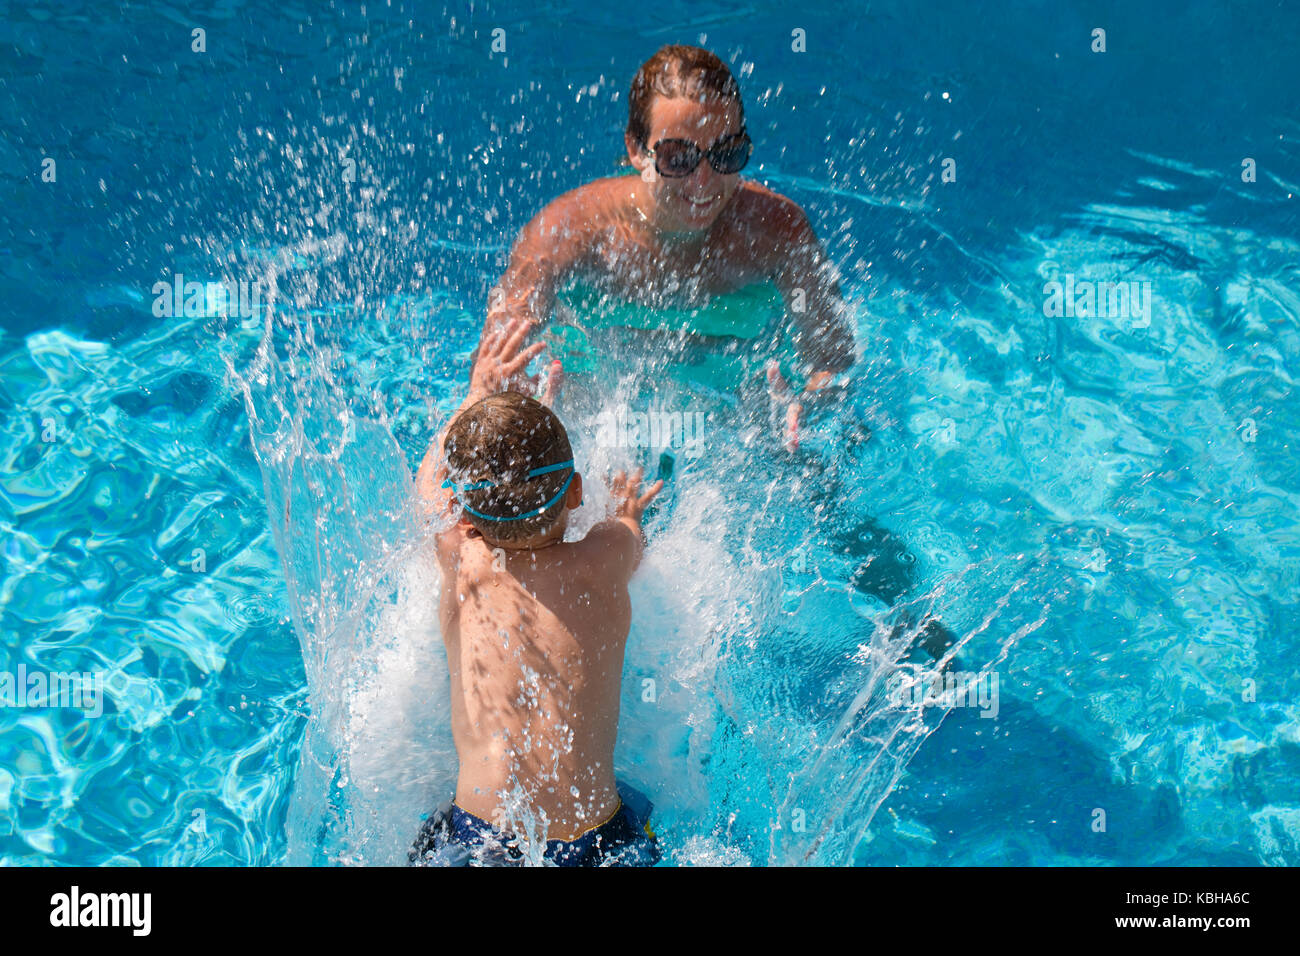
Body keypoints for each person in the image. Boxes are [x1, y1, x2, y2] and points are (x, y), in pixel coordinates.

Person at [481, 44, 855, 450]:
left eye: (726, 154)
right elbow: (492, 367)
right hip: (595, 411)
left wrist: (809, 402)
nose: (704, 181)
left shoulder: (777, 231)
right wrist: (510, 401)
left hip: (735, 418)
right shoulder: (567, 233)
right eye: (679, 158)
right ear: (636, 150)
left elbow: (834, 362)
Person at [409, 318, 664, 866]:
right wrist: (626, 511)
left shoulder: (462, 560)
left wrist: (475, 393)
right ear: (575, 491)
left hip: (480, 843)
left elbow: (428, 492)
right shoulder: (605, 558)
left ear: (467, 517)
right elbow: (632, 540)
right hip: (597, 840)